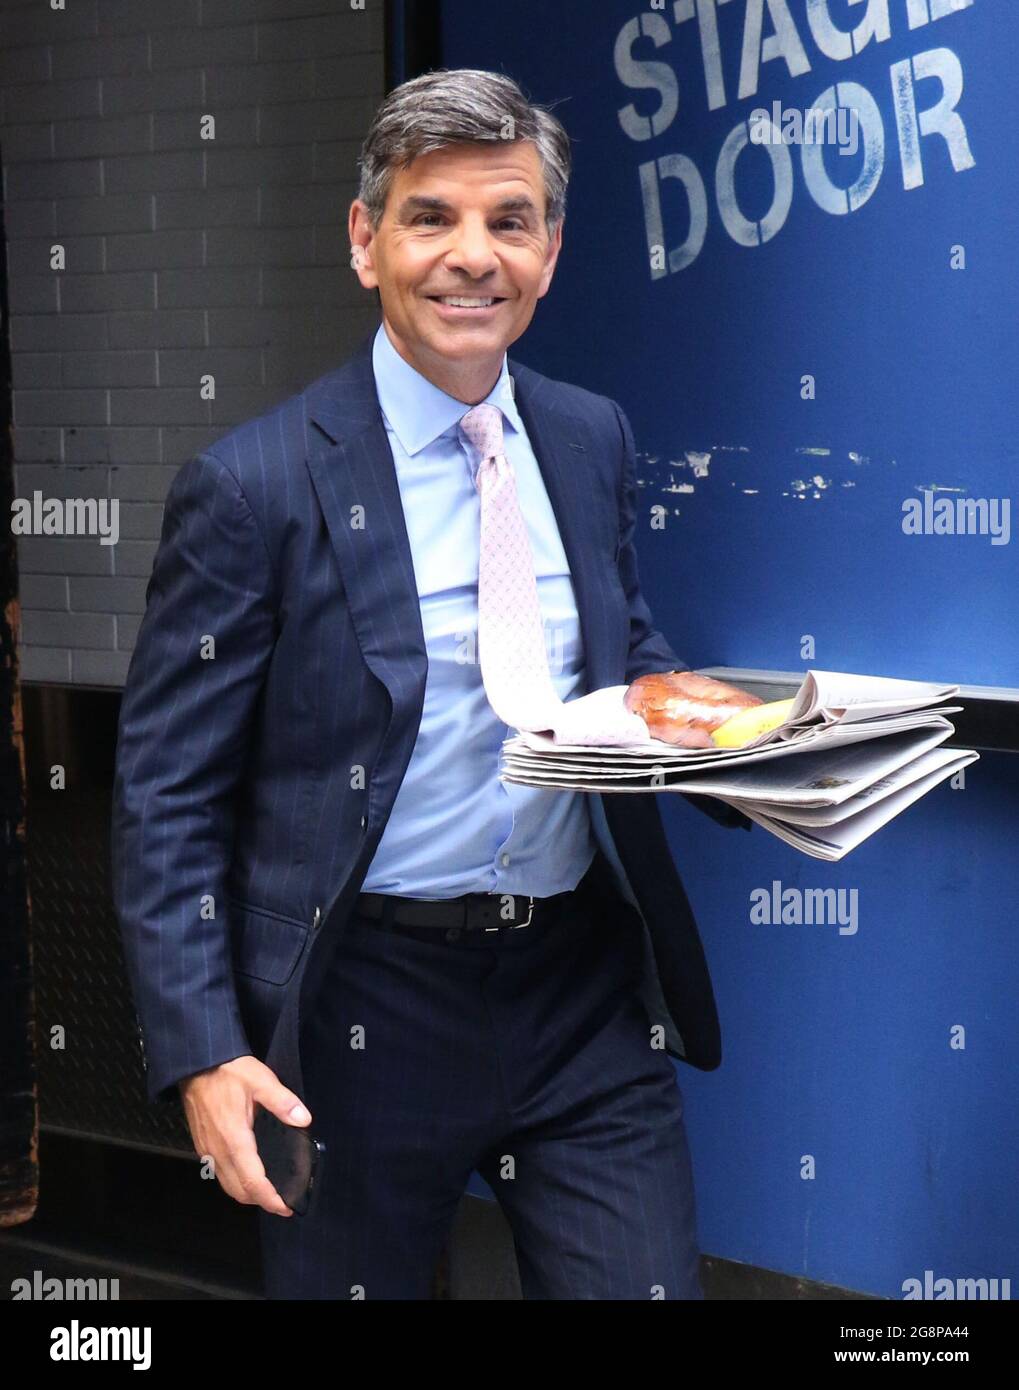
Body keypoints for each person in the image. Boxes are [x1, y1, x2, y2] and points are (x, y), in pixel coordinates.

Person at [112, 67, 753, 1301]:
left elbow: (615, 656)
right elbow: (164, 796)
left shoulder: (587, 434)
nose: (473, 256)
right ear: (365, 240)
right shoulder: (251, 489)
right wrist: (203, 1053)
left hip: (578, 994)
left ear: (550, 253)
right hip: (362, 1009)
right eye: (429, 218)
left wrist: (754, 744)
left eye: (508, 221)